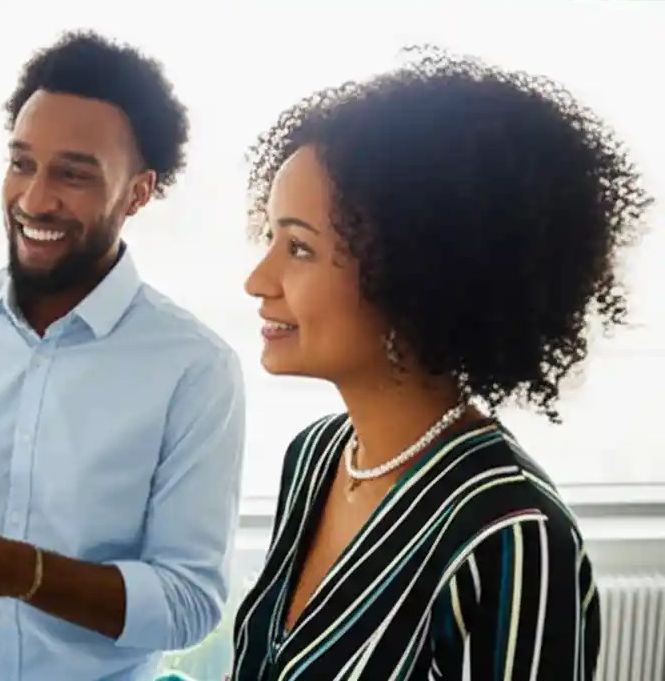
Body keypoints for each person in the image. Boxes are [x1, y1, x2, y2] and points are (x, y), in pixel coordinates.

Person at [231, 46, 652, 679]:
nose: (257, 280)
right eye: (270, 238)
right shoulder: (317, 457)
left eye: (298, 248)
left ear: (411, 277)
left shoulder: (512, 538)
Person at [0, 30, 245, 680]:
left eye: (73, 174)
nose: (33, 199)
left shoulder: (195, 369)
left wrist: (21, 571)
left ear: (138, 193)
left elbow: (188, 603)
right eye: (22, 163)